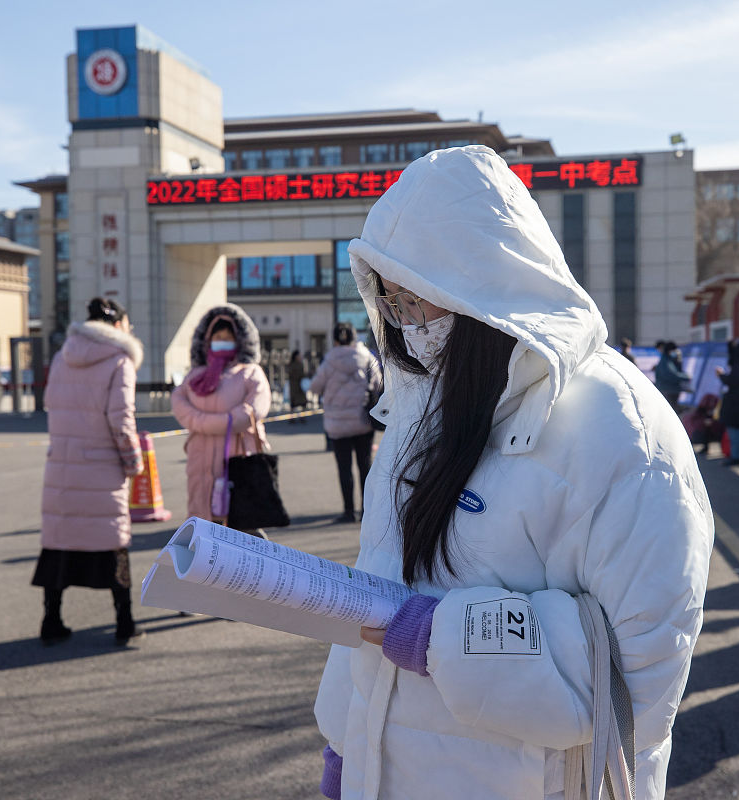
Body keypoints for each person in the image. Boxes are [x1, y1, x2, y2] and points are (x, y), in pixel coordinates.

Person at [312, 146, 712, 800]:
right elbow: (379, 593)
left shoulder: (625, 437)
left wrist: (442, 638)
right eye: (392, 304)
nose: (409, 330)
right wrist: (345, 748)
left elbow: (637, 687)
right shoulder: (423, 405)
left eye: (419, 303)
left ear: (478, 290)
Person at [32, 297, 144, 646]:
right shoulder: (119, 361)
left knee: (58, 543)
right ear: (118, 326)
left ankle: (51, 619)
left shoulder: (63, 356)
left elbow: (52, 406)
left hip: (63, 467)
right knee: (113, 543)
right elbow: (121, 421)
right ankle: (124, 622)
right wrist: (133, 463)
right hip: (102, 467)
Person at [171, 305, 271, 527]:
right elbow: (178, 400)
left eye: (228, 336)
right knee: (202, 524)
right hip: (201, 462)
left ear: (240, 339)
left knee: (240, 525)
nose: (223, 339)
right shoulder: (196, 375)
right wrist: (224, 422)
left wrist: (202, 422)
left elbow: (255, 409)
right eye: (218, 335)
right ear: (207, 339)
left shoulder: (250, 372)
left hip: (238, 458)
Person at [309, 322, 383, 524]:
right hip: (363, 421)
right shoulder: (367, 357)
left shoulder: (329, 360)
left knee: (344, 468)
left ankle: (348, 512)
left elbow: (315, 387)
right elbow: (377, 384)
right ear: (354, 337)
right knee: (365, 467)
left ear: (334, 340)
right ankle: (367, 510)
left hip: (338, 424)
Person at [716, 339, 739, 467]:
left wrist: (721, 376)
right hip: (738, 405)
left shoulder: (738, 367)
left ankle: (735, 457)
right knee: (735, 433)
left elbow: (732, 382)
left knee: (734, 434)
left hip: (734, 406)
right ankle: (735, 456)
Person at [654, 339, 692, 409]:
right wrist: (686, 377)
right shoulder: (666, 361)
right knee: (672, 410)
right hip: (669, 390)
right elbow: (671, 375)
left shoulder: (667, 359)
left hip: (668, 389)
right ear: (670, 350)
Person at [286, 349, 309, 423]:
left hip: (299, 386)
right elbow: (295, 374)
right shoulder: (294, 365)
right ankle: (292, 417)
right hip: (295, 386)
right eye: (299, 355)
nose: (300, 357)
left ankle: (301, 417)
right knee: (294, 403)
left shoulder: (300, 364)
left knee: (302, 403)